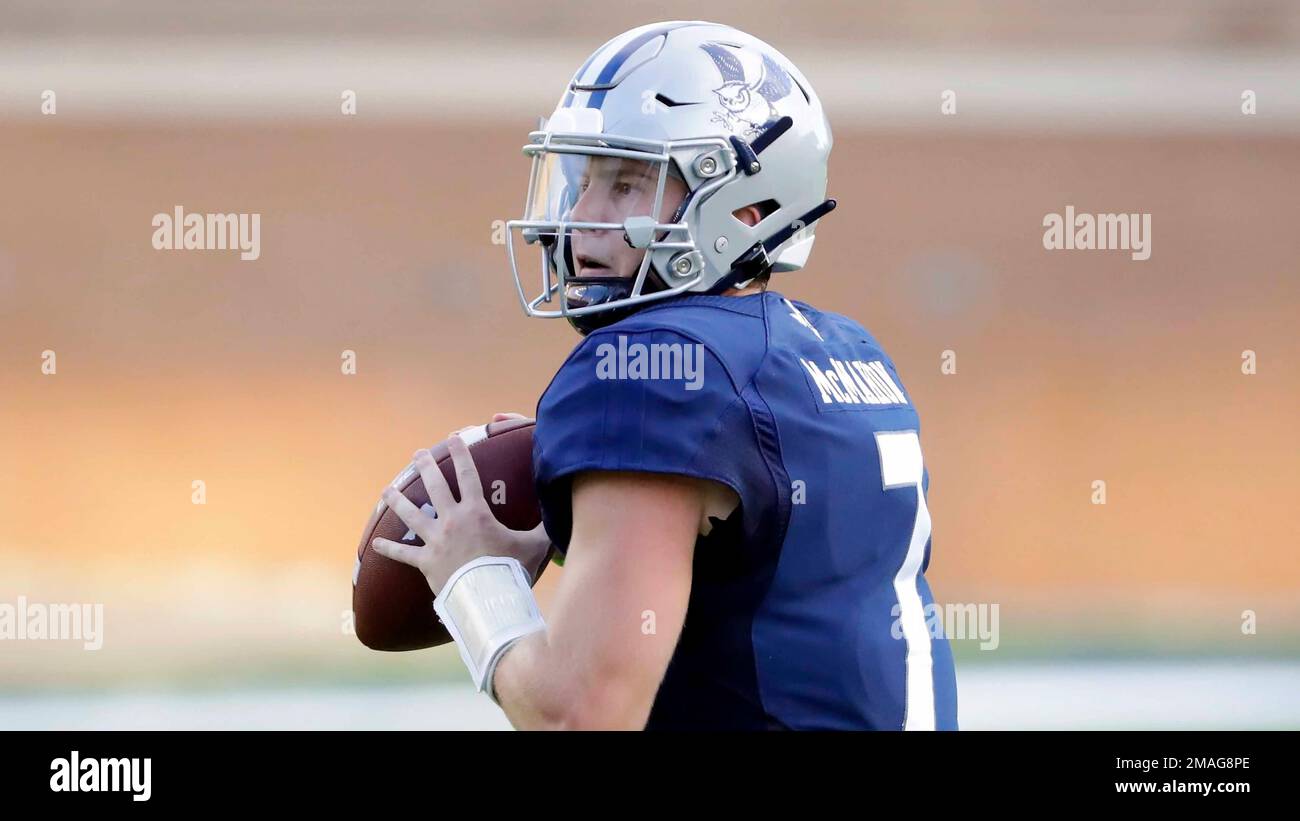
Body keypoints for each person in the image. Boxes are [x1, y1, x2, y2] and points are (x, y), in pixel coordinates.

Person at [373, 20, 958, 730]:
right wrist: (580, 540)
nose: (583, 217)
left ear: (744, 208)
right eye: (583, 180)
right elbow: (774, 587)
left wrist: (475, 578)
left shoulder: (650, 372)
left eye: (627, 185)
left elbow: (581, 714)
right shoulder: (850, 353)